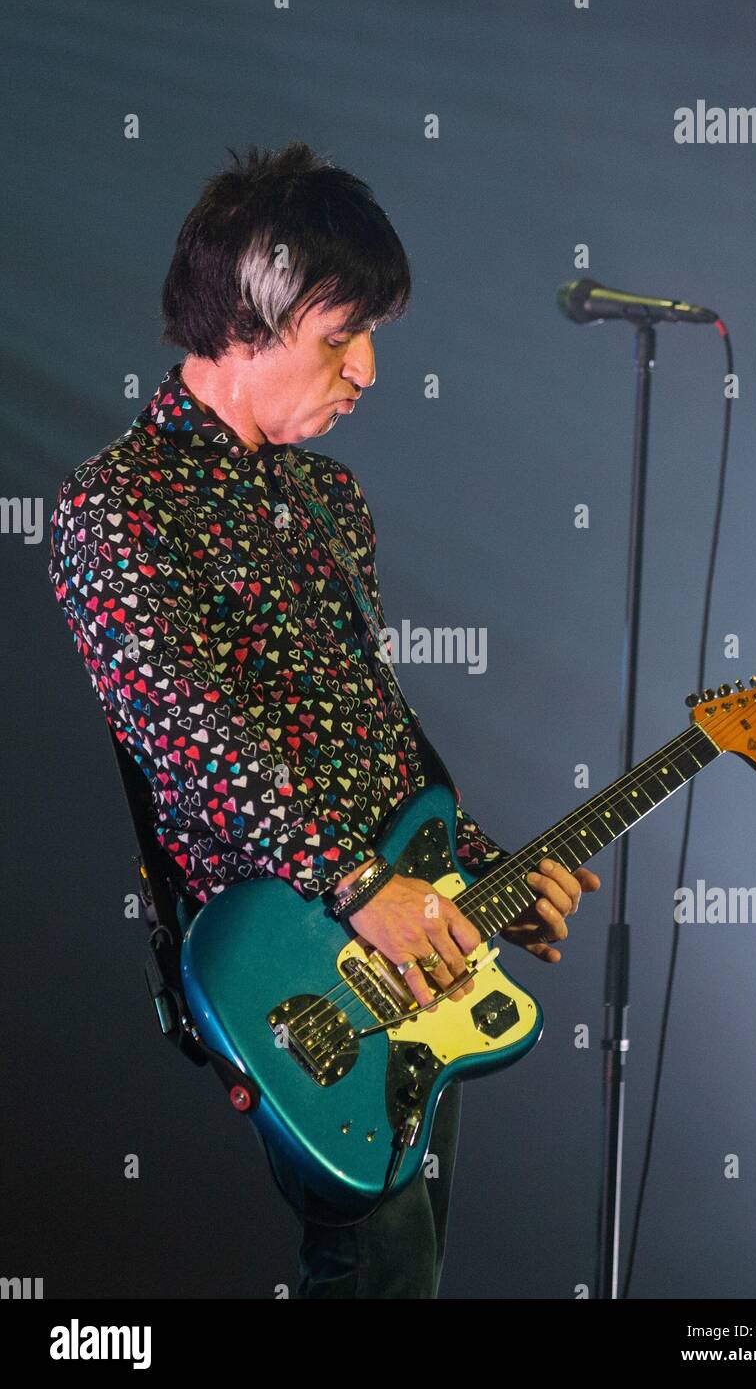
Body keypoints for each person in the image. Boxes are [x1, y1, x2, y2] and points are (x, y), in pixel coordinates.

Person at [47, 141, 600, 1298]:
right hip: (290, 960)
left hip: (402, 930)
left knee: (407, 1267)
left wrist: (483, 876)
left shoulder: (329, 500)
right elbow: (187, 734)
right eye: (340, 335)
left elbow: (375, 743)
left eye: (372, 337)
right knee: (377, 1261)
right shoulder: (119, 503)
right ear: (250, 316)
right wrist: (355, 885)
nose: (367, 371)